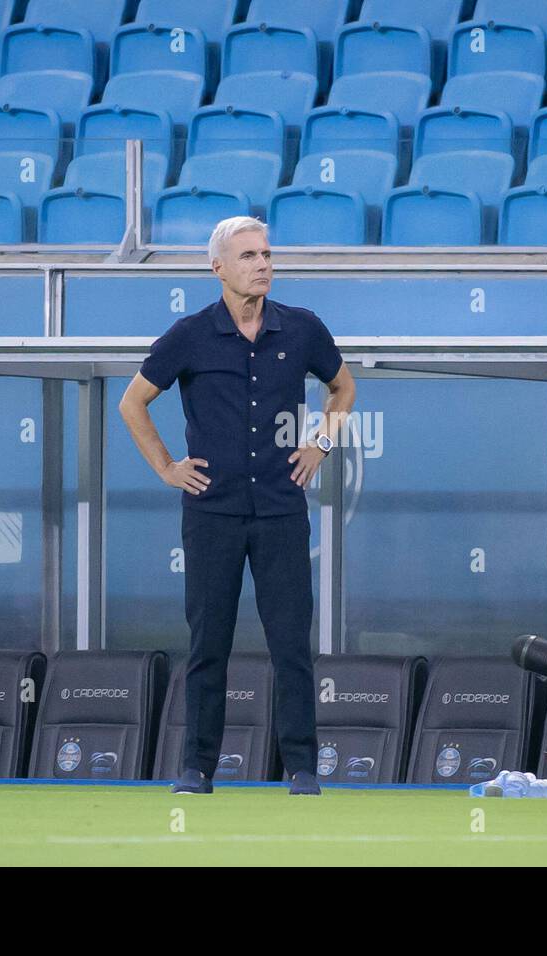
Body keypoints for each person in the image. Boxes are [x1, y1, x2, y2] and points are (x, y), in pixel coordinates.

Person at [119, 217, 356, 795]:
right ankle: (197, 768)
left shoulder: (302, 330)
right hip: (212, 512)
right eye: (249, 255)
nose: (264, 264)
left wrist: (320, 445)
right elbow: (133, 403)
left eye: (268, 253)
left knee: (291, 645)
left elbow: (343, 389)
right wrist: (168, 469)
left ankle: (301, 767)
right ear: (218, 268)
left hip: (280, 511)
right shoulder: (190, 334)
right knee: (209, 646)